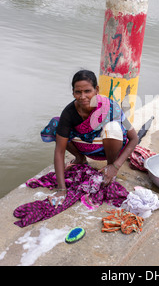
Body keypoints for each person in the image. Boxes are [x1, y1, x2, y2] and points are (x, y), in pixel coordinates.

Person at [41, 70, 138, 207]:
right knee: (56, 124)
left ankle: (109, 167)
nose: (82, 97)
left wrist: (116, 166)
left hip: (106, 147)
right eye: (78, 92)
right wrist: (62, 189)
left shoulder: (112, 107)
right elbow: (59, 151)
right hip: (84, 146)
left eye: (87, 91)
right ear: (73, 92)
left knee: (113, 128)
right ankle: (80, 159)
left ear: (96, 90)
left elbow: (134, 138)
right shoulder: (68, 113)